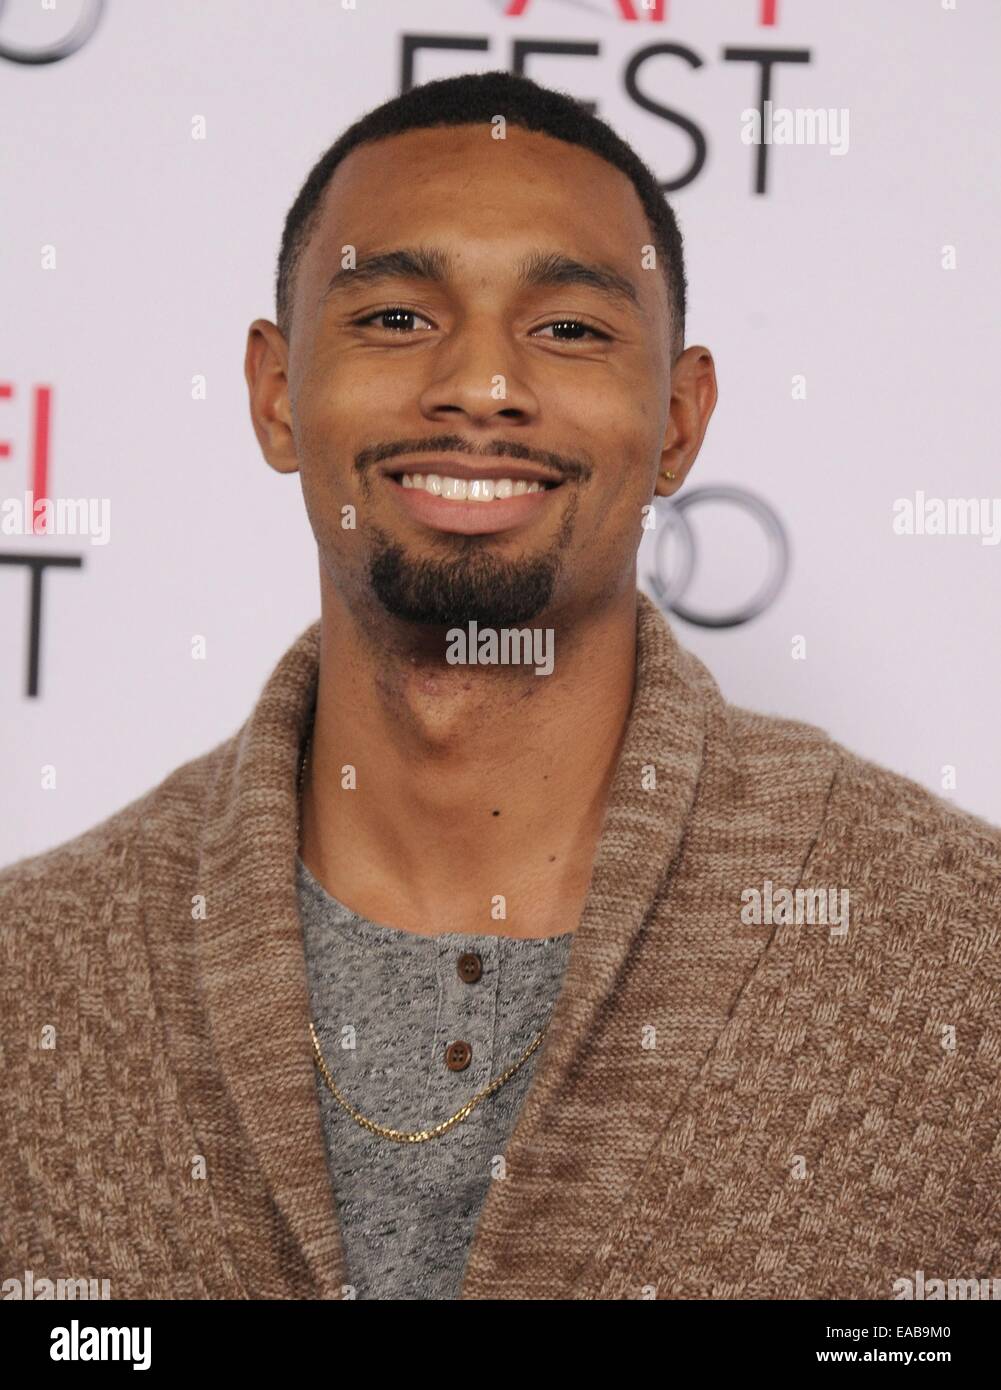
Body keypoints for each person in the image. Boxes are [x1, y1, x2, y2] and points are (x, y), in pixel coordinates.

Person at [2, 71, 999, 1303]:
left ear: (679, 420)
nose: (479, 384)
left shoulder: (959, 959)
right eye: (395, 318)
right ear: (274, 394)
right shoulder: (35, 976)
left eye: (568, 329)